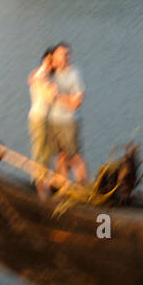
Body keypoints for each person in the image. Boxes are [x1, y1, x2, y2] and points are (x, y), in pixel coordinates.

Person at [48, 42, 88, 184]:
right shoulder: (52, 72)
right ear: (54, 56)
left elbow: (76, 103)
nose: (64, 57)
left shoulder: (74, 74)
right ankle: (60, 186)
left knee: (75, 157)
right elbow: (34, 78)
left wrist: (58, 96)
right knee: (60, 156)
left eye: (66, 54)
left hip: (69, 122)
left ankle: (83, 186)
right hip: (54, 121)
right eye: (60, 54)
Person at [28, 47, 58, 190]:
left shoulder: (44, 75)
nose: (54, 64)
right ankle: (38, 183)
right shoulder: (41, 75)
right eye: (52, 61)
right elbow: (49, 97)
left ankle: (43, 181)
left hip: (44, 118)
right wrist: (52, 89)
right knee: (40, 151)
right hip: (38, 118)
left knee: (45, 152)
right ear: (46, 60)